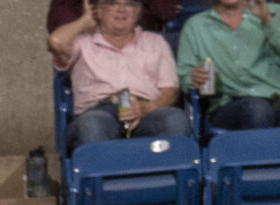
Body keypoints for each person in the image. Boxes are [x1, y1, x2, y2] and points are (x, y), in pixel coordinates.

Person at [50, 0, 190, 152]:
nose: (121, 9)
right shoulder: (82, 43)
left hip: (145, 111)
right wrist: (84, 22)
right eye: (112, 3)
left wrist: (147, 107)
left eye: (130, 4)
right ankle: (103, 175)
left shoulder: (155, 42)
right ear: (99, 10)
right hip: (99, 111)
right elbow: (55, 42)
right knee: (92, 125)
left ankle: (168, 175)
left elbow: (170, 90)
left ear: (138, 12)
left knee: (176, 119)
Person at [175, 0, 280, 131]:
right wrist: (194, 79)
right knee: (256, 108)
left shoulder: (274, 12)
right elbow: (185, 75)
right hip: (230, 103)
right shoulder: (196, 26)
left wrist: (268, 21)